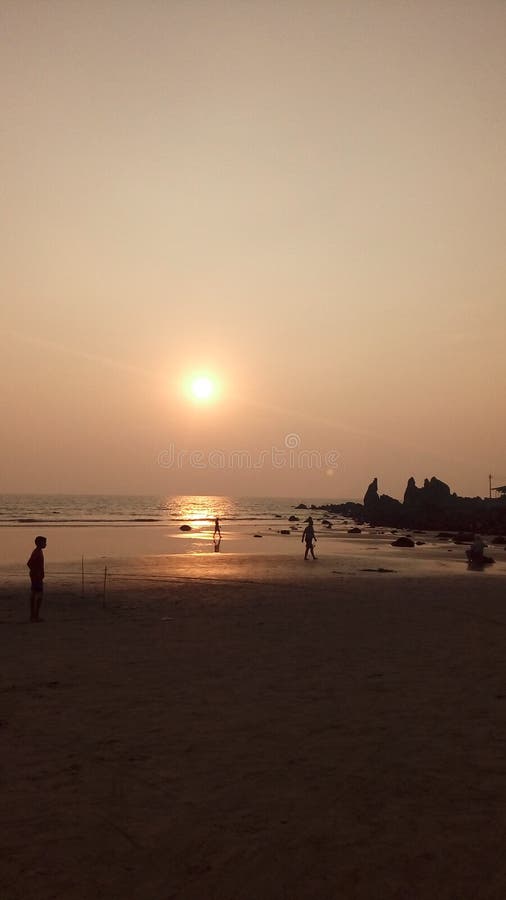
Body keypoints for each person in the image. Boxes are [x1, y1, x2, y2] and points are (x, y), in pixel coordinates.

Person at [27, 536, 47, 622]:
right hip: (36, 577)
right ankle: (35, 616)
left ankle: (34, 615)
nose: (45, 544)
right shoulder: (37, 552)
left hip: (36, 576)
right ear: (39, 543)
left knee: (35, 593)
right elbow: (29, 563)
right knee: (38, 594)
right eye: (44, 542)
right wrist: (36, 573)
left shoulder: (39, 552)